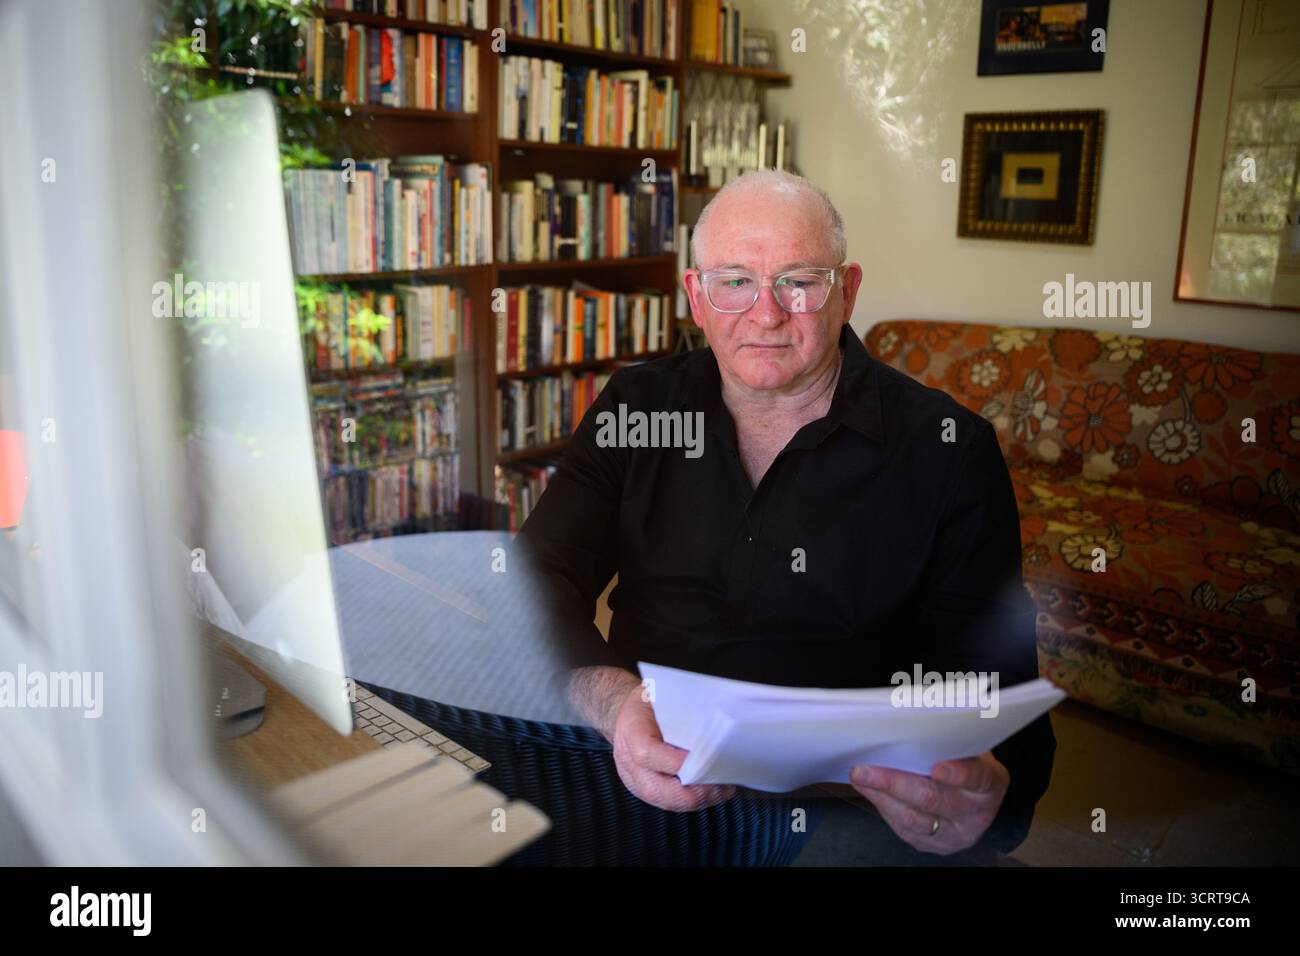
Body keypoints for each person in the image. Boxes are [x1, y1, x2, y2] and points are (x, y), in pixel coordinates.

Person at [516, 170, 1055, 856]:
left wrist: (983, 792)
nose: (766, 314)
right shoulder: (636, 408)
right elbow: (532, 581)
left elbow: (1003, 698)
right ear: (696, 297)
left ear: (848, 291)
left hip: (845, 810)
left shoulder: (949, 453)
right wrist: (612, 703)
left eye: (799, 281)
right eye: (734, 280)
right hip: (642, 771)